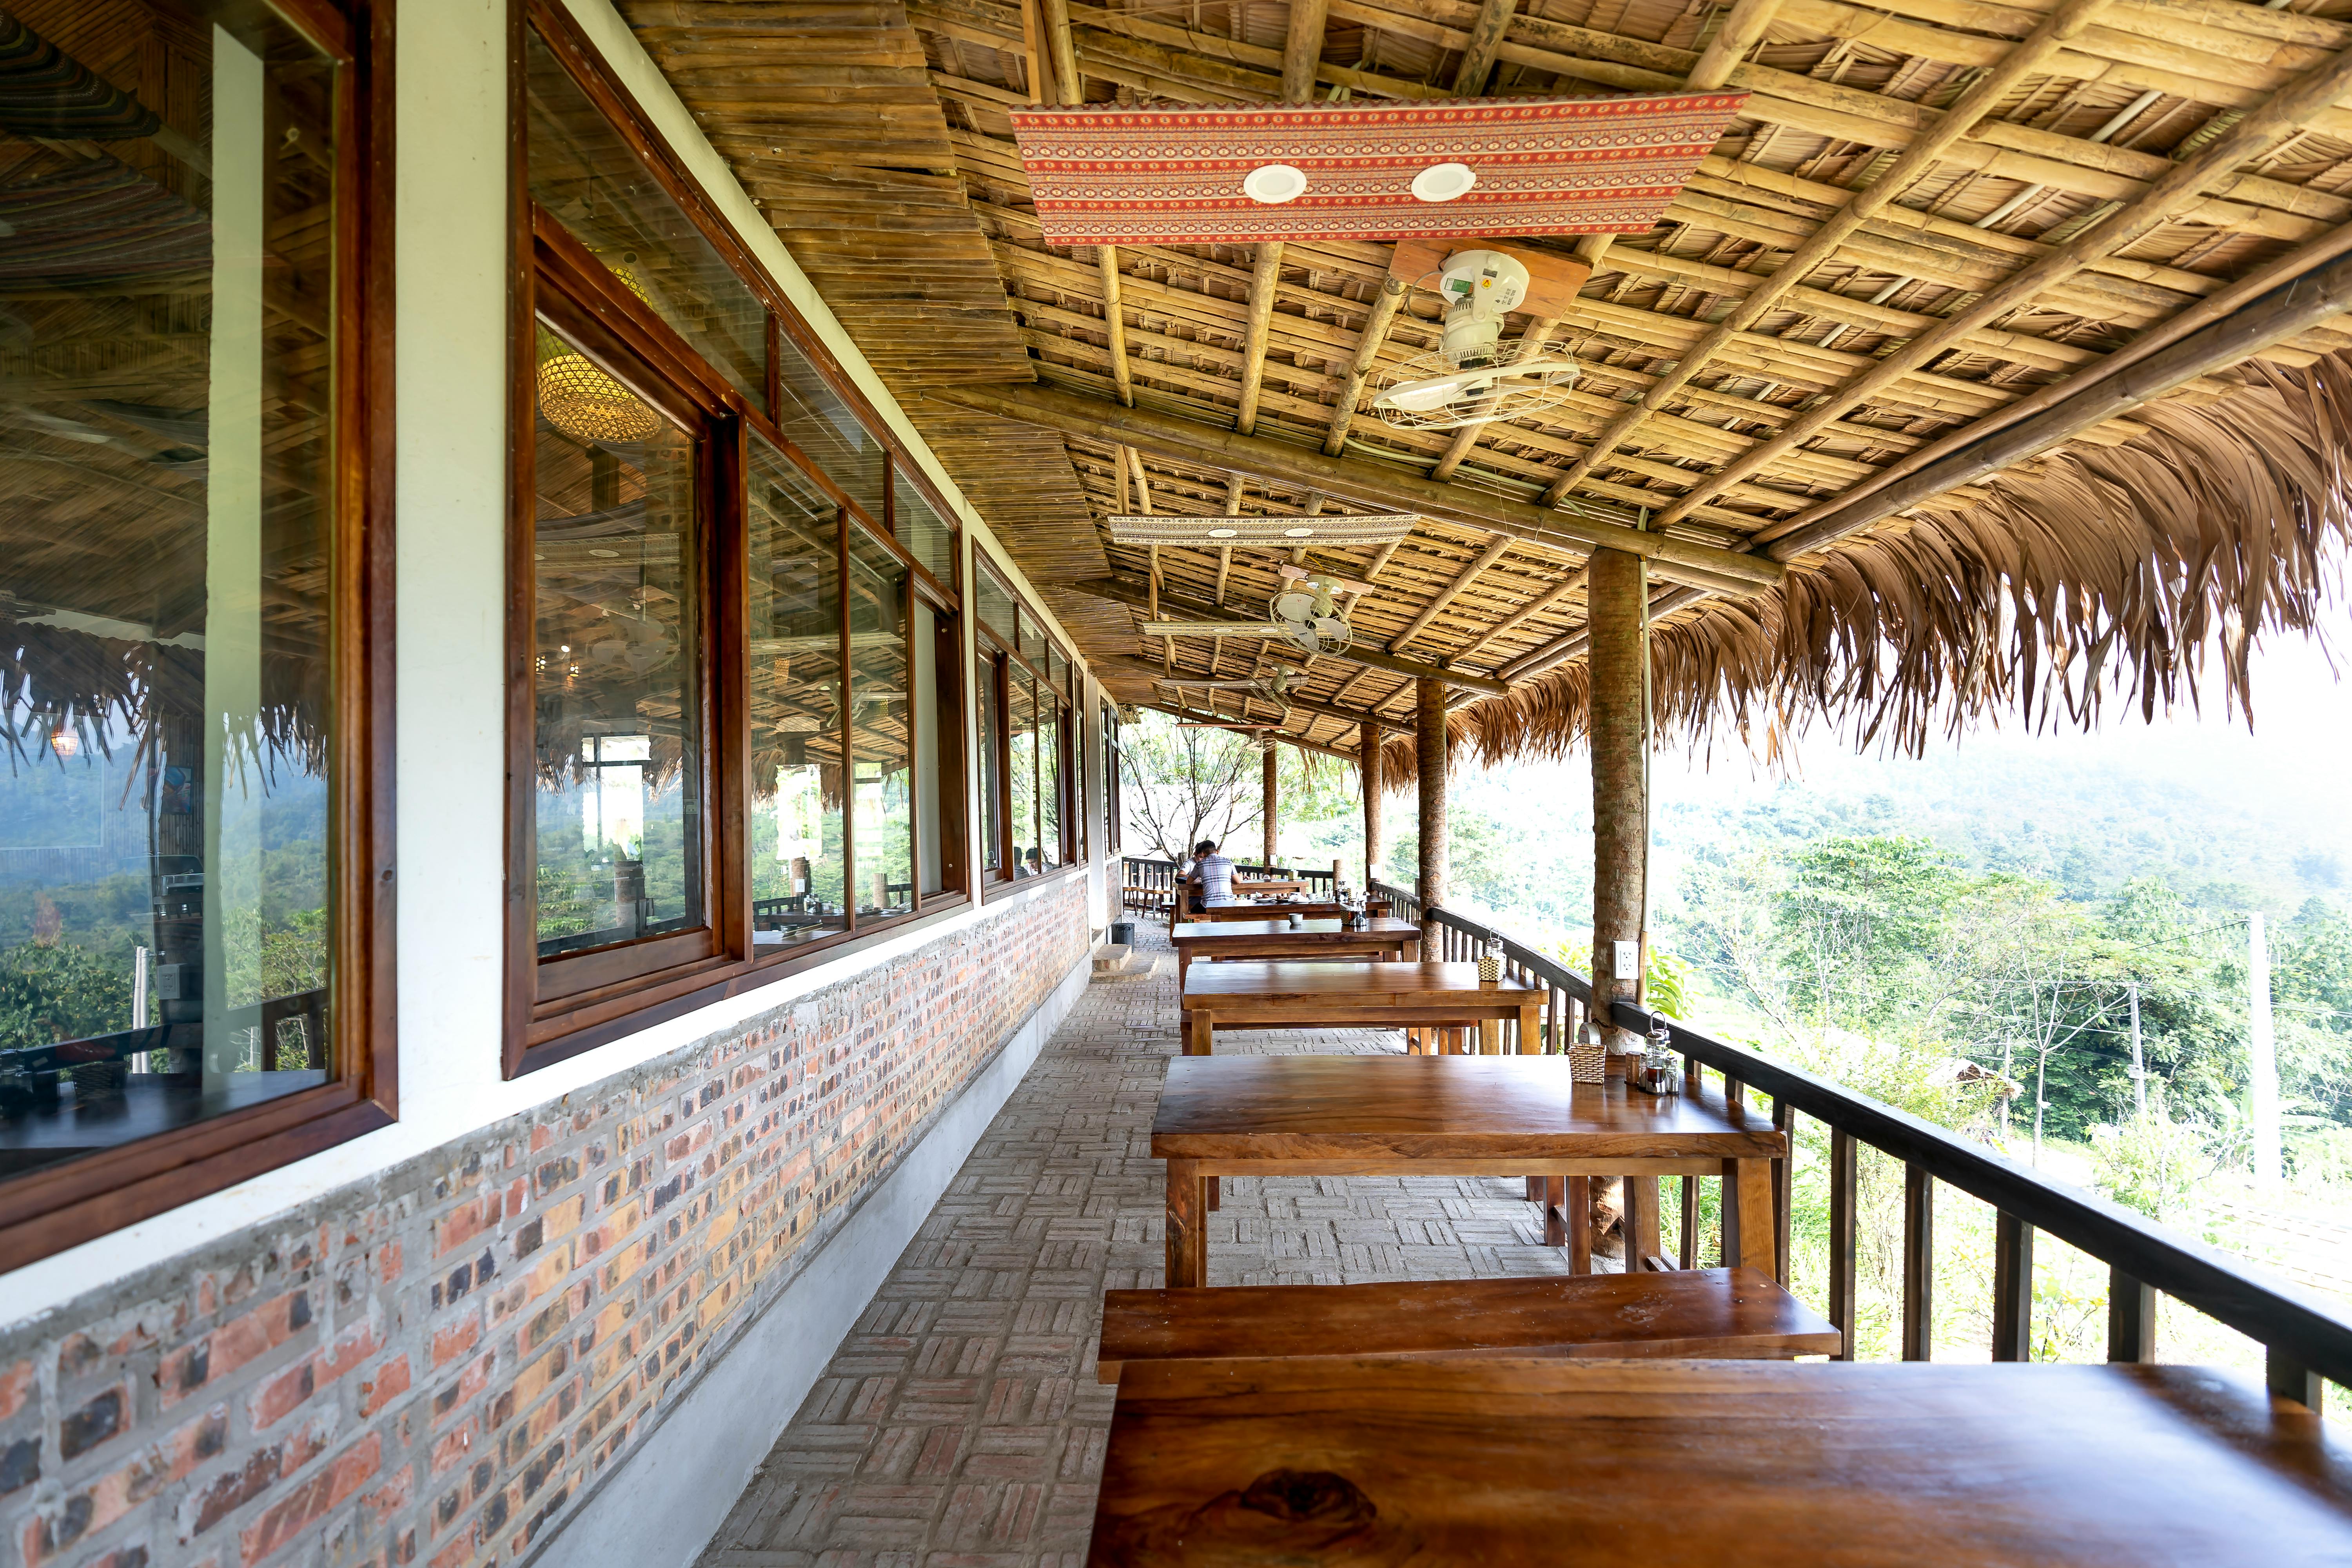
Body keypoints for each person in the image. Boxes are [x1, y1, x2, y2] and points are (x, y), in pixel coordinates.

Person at [1184, 838, 1236, 914]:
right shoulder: (1228, 862)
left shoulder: (1200, 864)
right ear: (1217, 851)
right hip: (1229, 904)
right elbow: (1238, 881)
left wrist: (1201, 879)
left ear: (1204, 854)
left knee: (1193, 910)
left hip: (1208, 906)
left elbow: (1188, 882)